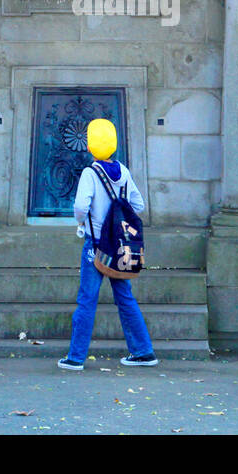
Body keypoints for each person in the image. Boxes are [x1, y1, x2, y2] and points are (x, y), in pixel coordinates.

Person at [58, 118, 158, 371]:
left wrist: (83, 221)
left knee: (87, 299)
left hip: (96, 244)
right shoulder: (123, 172)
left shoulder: (90, 173)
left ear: (90, 147)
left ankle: (76, 357)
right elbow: (139, 205)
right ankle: (143, 352)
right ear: (113, 145)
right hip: (119, 245)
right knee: (125, 297)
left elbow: (81, 207)